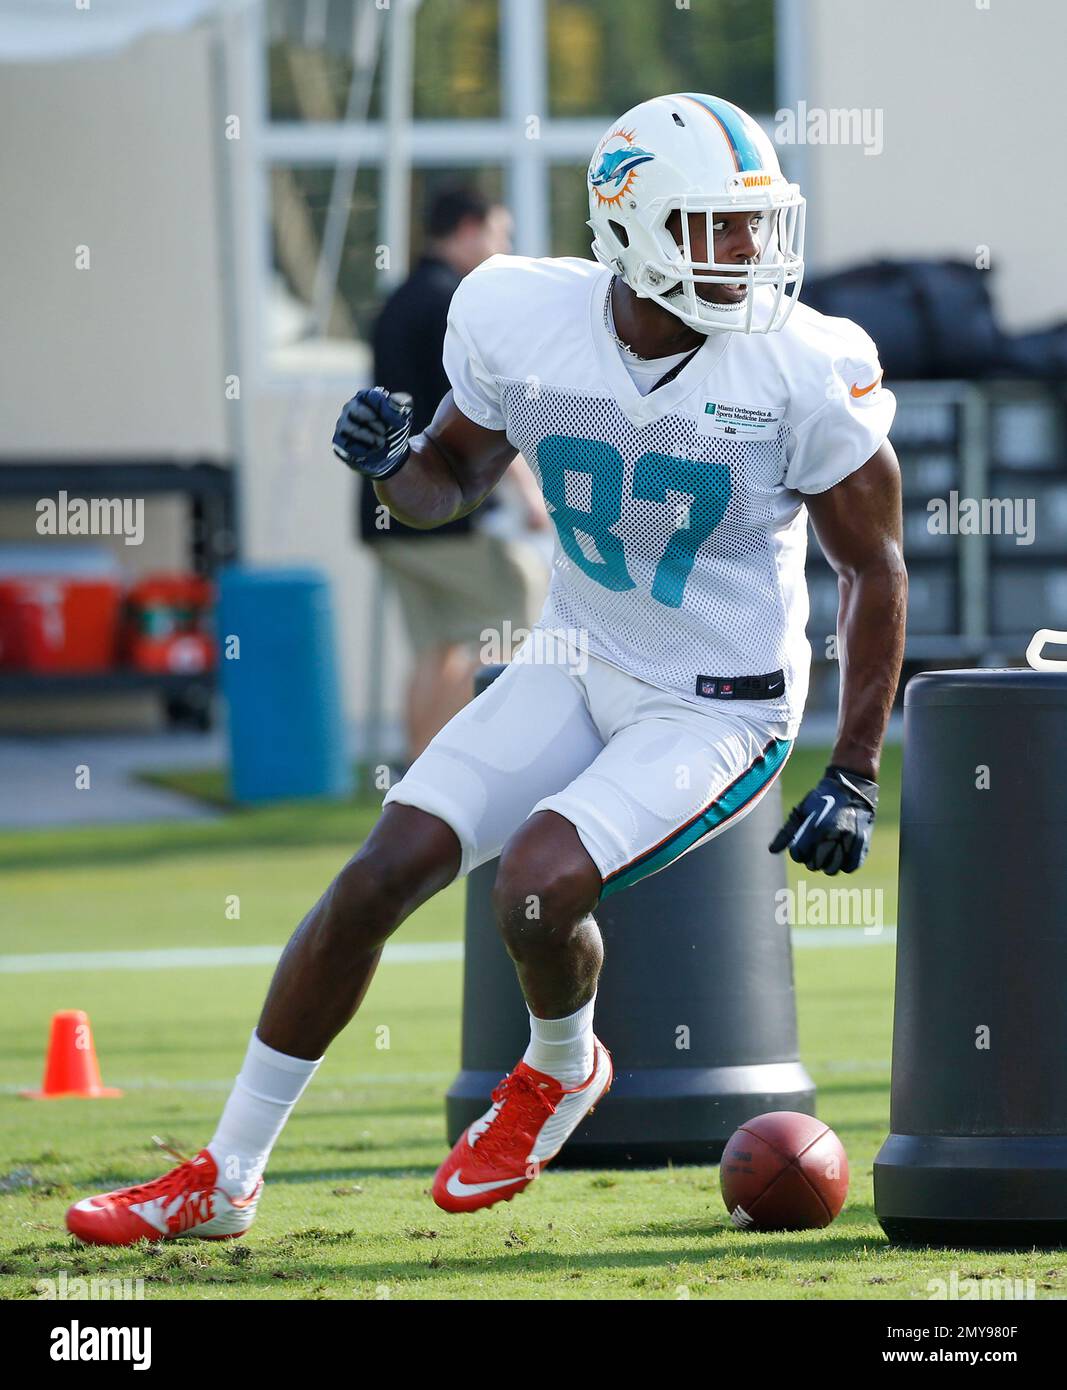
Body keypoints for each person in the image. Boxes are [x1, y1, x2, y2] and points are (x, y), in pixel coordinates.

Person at [66, 93, 905, 1243]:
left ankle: (558, 1066)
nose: (748, 251)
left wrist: (853, 767)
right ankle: (225, 1176)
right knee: (375, 877)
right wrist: (387, 462)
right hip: (573, 658)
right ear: (631, 225)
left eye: (755, 224)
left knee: (536, 879)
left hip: (716, 707)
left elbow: (875, 569)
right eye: (714, 224)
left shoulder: (804, 365)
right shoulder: (520, 312)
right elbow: (445, 484)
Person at [361, 184, 548, 760]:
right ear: (468, 229)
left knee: (435, 648)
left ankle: (416, 783)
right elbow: (477, 418)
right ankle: (487, 763)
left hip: (387, 509)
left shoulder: (397, 301)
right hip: (440, 509)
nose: (504, 248)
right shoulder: (454, 305)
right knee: (512, 619)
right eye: (500, 233)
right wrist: (532, 500)